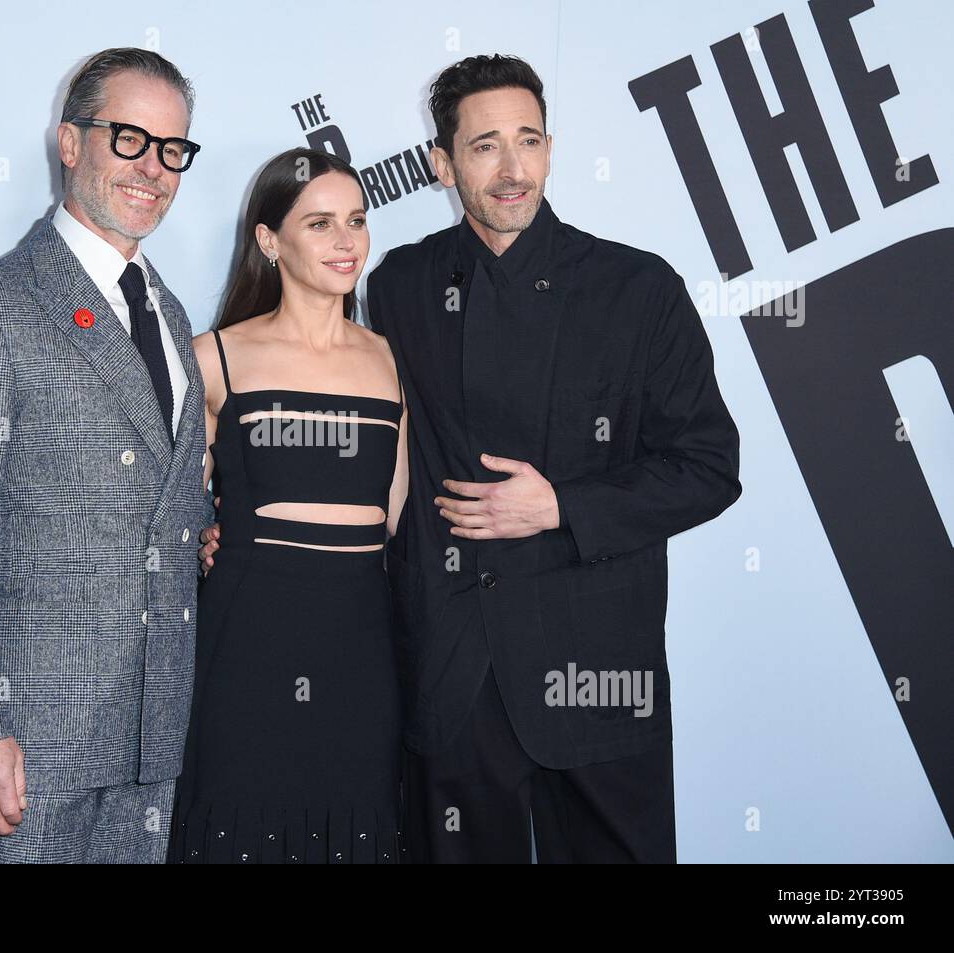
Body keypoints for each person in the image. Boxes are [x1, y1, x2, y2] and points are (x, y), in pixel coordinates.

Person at [201, 54, 742, 863]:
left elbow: (709, 464)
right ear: (442, 164)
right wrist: (225, 528)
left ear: (552, 150)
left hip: (595, 676)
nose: (512, 167)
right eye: (485, 145)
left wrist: (562, 505)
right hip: (448, 674)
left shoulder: (638, 287)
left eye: (529, 140)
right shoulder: (402, 281)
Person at [0, 48, 211, 863]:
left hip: (153, 728)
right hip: (28, 743)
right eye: (130, 139)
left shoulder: (171, 315)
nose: (154, 168)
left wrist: (195, 527)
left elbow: (155, 491)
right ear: (69, 143)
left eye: (172, 148)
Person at [169, 148, 409, 863]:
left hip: (361, 645)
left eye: (358, 221)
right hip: (247, 643)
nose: (346, 241)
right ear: (269, 241)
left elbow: (396, 518)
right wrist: (198, 537)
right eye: (320, 223)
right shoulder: (213, 357)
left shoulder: (393, 359)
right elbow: (163, 514)